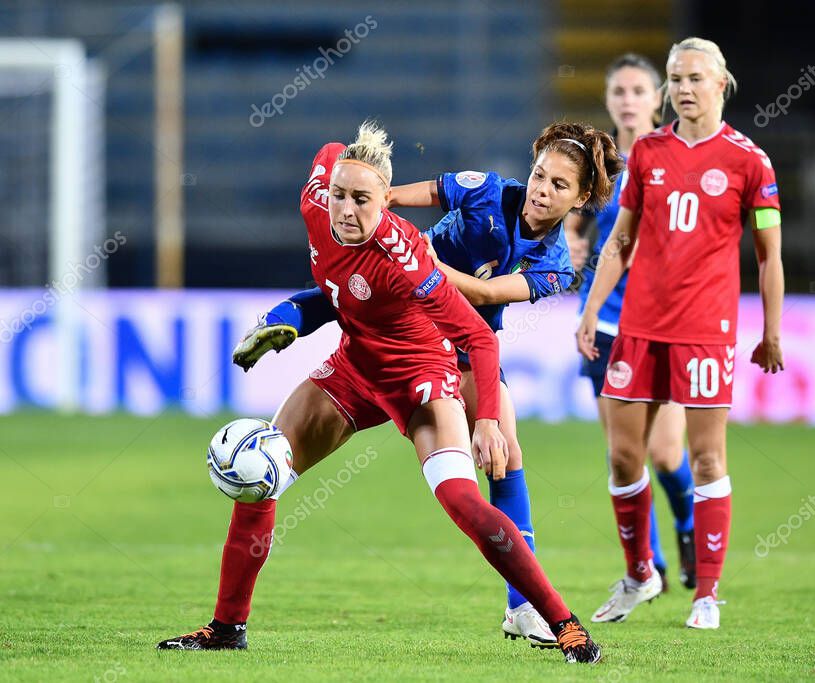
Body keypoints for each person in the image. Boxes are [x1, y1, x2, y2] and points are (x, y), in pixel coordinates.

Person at [158, 122, 602, 664]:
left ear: (383, 204)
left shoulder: (410, 261)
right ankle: (226, 628)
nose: (345, 210)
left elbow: (479, 335)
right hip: (354, 365)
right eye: (339, 195)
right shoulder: (319, 206)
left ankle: (562, 623)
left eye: (361, 200)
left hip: (423, 374)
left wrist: (486, 417)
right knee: (261, 474)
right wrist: (289, 315)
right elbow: (329, 188)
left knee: (464, 497)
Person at [576, 38, 785, 631]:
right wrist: (592, 309)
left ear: (722, 83)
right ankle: (641, 573)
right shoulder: (647, 154)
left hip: (705, 331)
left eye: (696, 77)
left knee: (704, 455)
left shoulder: (751, 162)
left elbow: (769, 257)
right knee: (621, 456)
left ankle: (708, 593)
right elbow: (620, 239)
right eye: (676, 78)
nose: (685, 89)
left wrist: (770, 330)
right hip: (638, 326)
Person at [564, 55, 697, 617]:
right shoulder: (595, 167)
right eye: (618, 90)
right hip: (609, 326)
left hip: (662, 324)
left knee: (667, 453)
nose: (627, 99)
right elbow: (567, 226)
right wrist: (567, 246)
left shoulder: (671, 159)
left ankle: (689, 524)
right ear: (608, 98)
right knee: (626, 454)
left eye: (638, 90)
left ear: (656, 98)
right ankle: (654, 564)